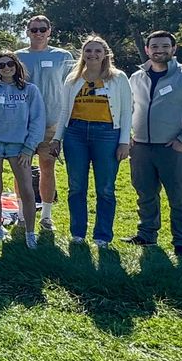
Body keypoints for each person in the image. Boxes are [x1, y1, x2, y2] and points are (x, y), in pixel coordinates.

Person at [124, 30, 182, 258]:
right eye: (154, 46)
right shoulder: (136, 77)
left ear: (174, 49)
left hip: (173, 148)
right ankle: (146, 234)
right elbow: (130, 109)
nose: (159, 50)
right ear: (147, 50)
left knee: (180, 197)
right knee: (145, 193)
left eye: (165, 46)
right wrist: (129, 135)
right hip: (141, 147)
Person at [49, 36, 131, 248]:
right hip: (75, 133)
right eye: (88, 51)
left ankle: (102, 236)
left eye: (97, 51)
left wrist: (124, 142)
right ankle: (78, 233)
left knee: (105, 188)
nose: (92, 55)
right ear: (82, 54)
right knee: (76, 187)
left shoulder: (118, 78)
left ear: (105, 54)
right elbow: (65, 110)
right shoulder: (73, 78)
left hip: (107, 134)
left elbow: (125, 112)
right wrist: (57, 138)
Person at [0, 52, 46, 248]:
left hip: (20, 147)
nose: (6, 68)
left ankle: (30, 233)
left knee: (27, 190)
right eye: (1, 65)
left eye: (10, 64)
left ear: (17, 66)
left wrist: (28, 148)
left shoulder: (30, 90)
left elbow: (37, 120)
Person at [15, 15, 74, 232]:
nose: (38, 33)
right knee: (21, 170)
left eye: (42, 29)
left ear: (50, 31)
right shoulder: (17, 56)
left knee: (47, 168)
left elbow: (71, 87)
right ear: (27, 31)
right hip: (24, 124)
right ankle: (21, 213)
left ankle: (46, 216)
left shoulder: (63, 56)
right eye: (34, 30)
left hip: (53, 123)